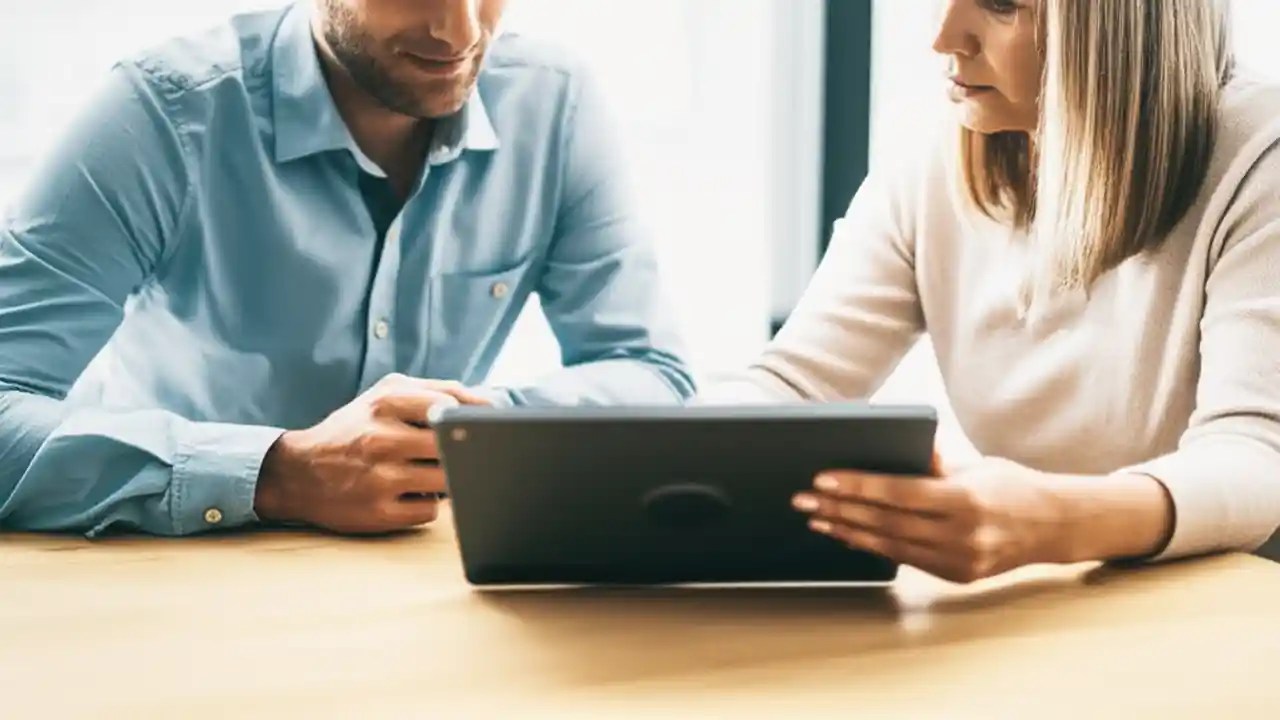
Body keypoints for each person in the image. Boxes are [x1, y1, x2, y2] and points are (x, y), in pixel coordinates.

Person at [0, 0, 694, 538]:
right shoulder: (163, 114)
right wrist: (277, 473)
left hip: (418, 588)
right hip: (170, 577)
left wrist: (464, 431)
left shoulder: (552, 104)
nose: (459, 33)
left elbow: (649, 371)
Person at [703, 0, 1280, 582]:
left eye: (1001, 6)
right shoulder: (929, 155)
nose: (944, 38)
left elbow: (1257, 460)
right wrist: (667, 463)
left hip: (1236, 605)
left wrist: (1051, 523)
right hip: (1067, 604)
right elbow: (794, 384)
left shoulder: (1260, 156)